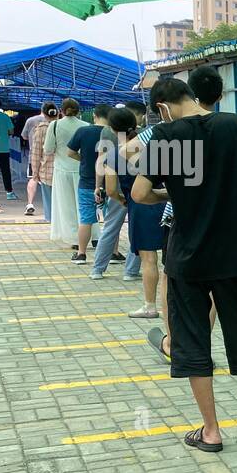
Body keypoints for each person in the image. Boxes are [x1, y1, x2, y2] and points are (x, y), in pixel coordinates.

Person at [132, 76, 237, 452]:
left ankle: (211, 431)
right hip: (234, 253)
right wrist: (226, 185)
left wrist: (177, 192)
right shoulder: (235, 125)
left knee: (192, 339)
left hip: (187, 256)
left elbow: (139, 192)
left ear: (163, 107)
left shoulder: (168, 137)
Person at [184, 66, 237, 291]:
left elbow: (141, 191)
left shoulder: (171, 131)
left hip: (190, 246)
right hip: (235, 244)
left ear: (190, 95)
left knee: (195, 311)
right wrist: (231, 184)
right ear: (220, 96)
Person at [105, 107, 164, 318]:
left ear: (113, 129)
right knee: (171, 259)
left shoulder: (114, 155)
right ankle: (172, 304)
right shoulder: (155, 144)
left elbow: (111, 189)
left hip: (139, 206)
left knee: (149, 259)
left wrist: (124, 200)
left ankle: (150, 306)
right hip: (167, 202)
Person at [89, 101, 145, 281]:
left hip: (116, 185)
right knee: (137, 229)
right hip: (140, 187)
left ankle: (97, 269)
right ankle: (131, 271)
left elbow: (101, 161)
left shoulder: (106, 132)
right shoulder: (143, 134)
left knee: (110, 228)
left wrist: (98, 186)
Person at [42, 98, 89, 248]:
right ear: (79, 110)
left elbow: (48, 149)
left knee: (66, 205)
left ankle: (73, 238)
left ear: (61, 111)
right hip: (82, 169)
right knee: (85, 204)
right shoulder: (86, 126)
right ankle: (92, 234)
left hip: (62, 169)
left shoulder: (54, 125)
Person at [66, 106, 110, 263]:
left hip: (86, 181)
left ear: (94, 116)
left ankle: (81, 253)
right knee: (112, 219)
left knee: (86, 219)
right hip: (110, 182)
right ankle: (114, 253)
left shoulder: (83, 131)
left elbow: (70, 152)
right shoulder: (115, 133)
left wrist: (83, 160)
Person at [28, 103, 57, 219]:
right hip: (65, 171)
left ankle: (51, 225)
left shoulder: (41, 129)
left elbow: (36, 153)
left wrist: (35, 173)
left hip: (47, 171)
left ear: (44, 114)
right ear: (58, 112)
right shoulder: (63, 126)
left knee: (49, 203)